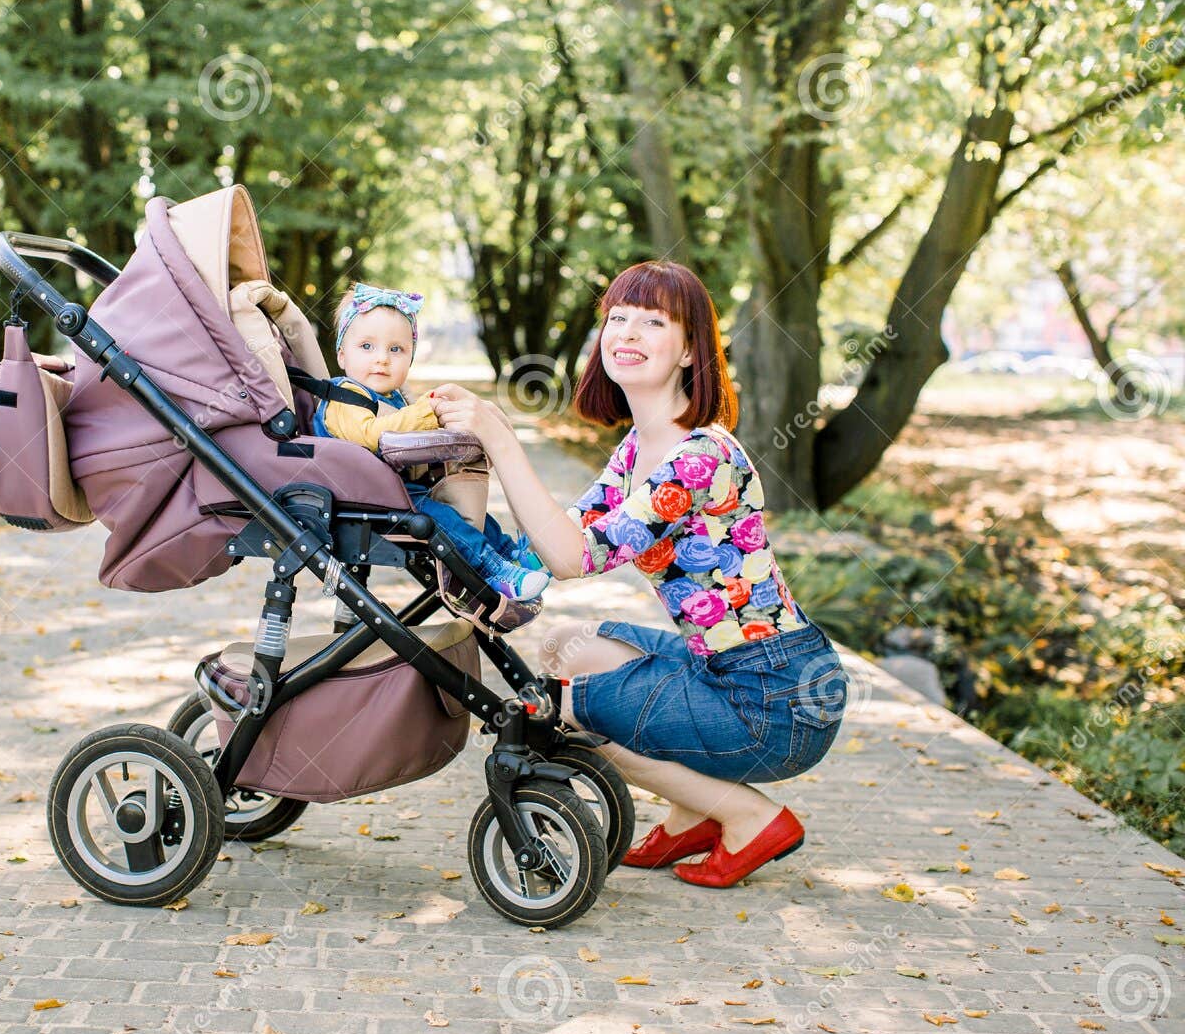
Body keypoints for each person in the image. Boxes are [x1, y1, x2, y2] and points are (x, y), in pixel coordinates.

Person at [429, 261, 848, 888]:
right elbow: (556, 540)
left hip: (776, 700)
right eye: (617, 318)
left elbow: (577, 559)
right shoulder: (638, 448)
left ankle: (749, 816)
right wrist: (488, 570)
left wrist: (501, 438)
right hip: (728, 669)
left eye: (653, 321)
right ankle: (692, 814)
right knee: (560, 648)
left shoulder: (700, 458)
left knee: (562, 711)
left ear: (689, 349)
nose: (626, 332)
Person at [312, 282, 550, 602]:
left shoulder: (392, 398)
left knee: (463, 509)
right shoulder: (345, 395)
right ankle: (491, 569)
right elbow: (374, 435)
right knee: (441, 517)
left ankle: (507, 552)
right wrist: (426, 413)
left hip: (394, 490)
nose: (381, 359)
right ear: (342, 353)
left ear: (410, 358)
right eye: (367, 347)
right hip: (361, 495)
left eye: (395, 349)